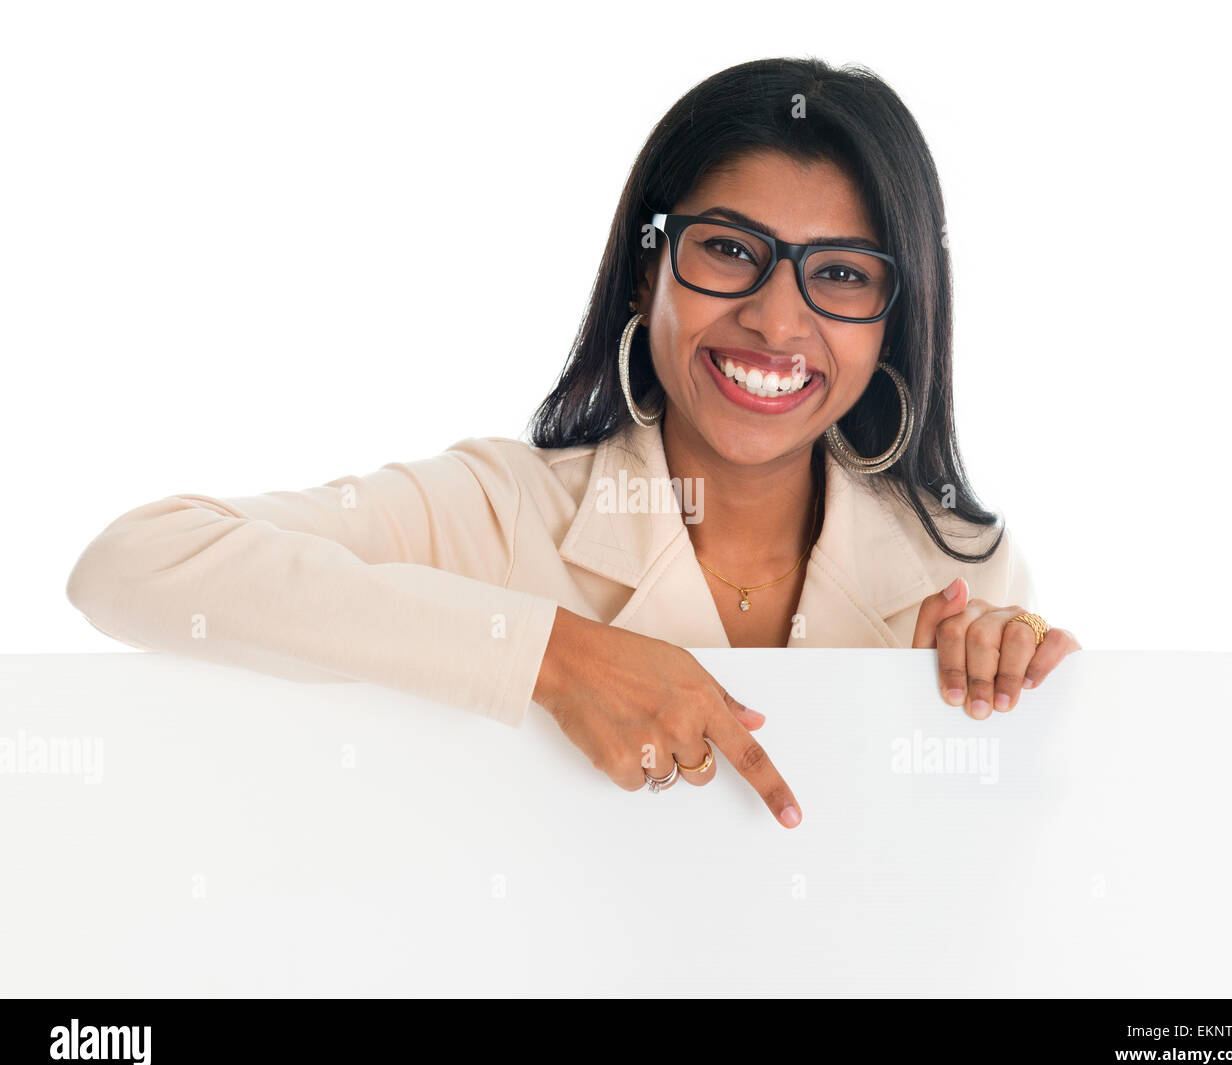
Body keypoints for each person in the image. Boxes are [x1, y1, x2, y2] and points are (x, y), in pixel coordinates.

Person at [65, 57, 1080, 830]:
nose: (777, 321)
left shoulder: (961, 575)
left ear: (893, 323)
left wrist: (1005, 705)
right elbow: (132, 565)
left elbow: (972, 907)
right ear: (647, 274)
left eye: (842, 274)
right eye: (727, 250)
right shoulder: (504, 512)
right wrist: (551, 655)